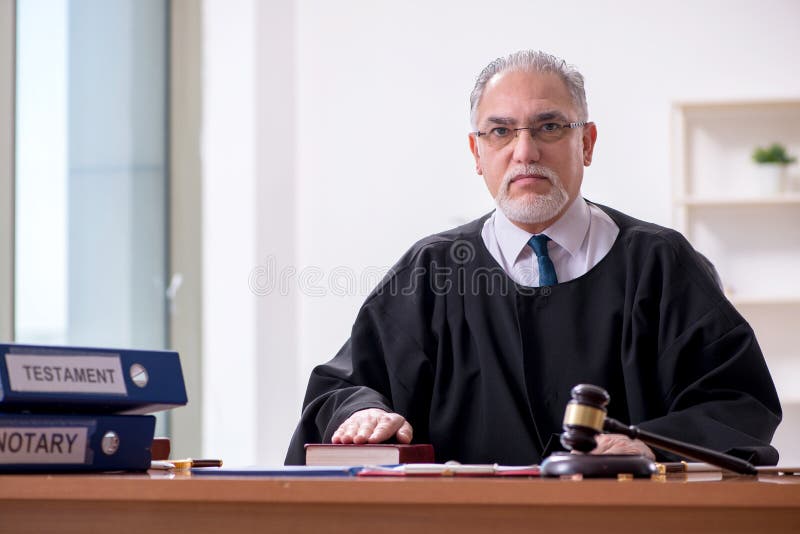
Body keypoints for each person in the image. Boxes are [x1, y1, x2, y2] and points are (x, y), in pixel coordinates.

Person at [285, 50, 781, 466]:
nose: (525, 152)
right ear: (476, 153)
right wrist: (364, 413)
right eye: (500, 132)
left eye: (548, 127)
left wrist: (645, 445)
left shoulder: (661, 264)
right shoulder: (432, 271)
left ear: (585, 142)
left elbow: (735, 401)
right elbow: (344, 387)